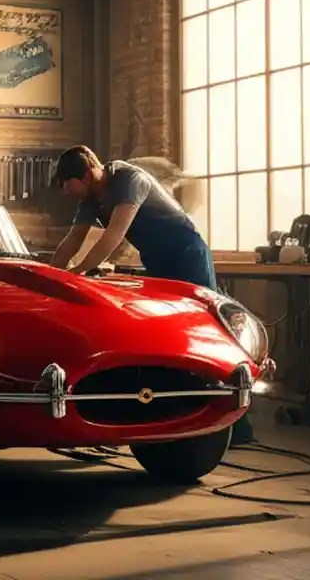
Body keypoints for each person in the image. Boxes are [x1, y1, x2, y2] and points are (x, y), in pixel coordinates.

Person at [48, 145, 254, 444]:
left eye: (70, 187)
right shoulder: (92, 198)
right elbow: (72, 239)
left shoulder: (129, 180)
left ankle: (237, 425)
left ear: (87, 174)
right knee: (168, 337)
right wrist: (52, 276)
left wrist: (79, 272)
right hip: (157, 261)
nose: (70, 195)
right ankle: (177, 416)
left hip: (186, 254)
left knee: (209, 333)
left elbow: (114, 235)